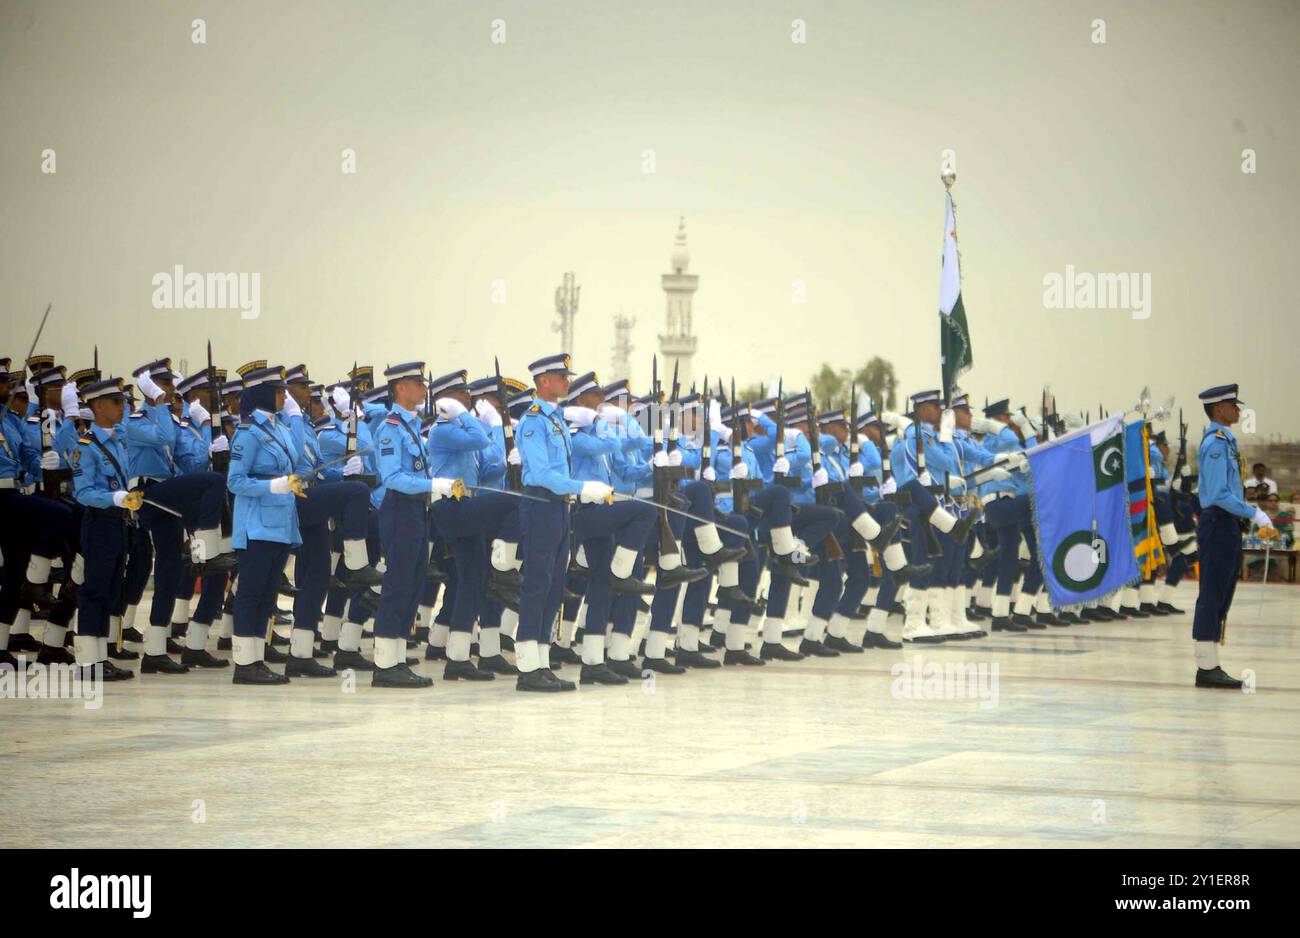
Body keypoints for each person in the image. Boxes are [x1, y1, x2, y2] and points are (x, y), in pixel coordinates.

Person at [372, 362, 460, 688]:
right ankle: (384, 665)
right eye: (417, 383)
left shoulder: (411, 427)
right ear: (400, 388)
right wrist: (433, 485)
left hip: (417, 511)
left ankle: (395, 658)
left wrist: (433, 487)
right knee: (398, 585)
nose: (424, 389)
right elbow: (393, 478)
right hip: (400, 510)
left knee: (412, 584)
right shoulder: (390, 428)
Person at [1192, 384, 1272, 689]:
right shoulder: (1215, 443)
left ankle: (1210, 663)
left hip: (1227, 523)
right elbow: (1217, 493)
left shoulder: (1226, 441)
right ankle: (1206, 666)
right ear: (1218, 410)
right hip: (1218, 522)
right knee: (1212, 592)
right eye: (1232, 405)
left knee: (1222, 592)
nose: (1238, 410)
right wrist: (1253, 512)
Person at [70, 378, 141, 680]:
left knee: (112, 589)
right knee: (95, 589)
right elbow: (82, 492)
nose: (122, 406)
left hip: (120, 522)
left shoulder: (120, 438)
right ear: (97, 406)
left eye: (123, 401)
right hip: (100, 522)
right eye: (116, 402)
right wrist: (116, 497)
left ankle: (101, 658)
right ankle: (87, 662)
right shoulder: (86, 446)